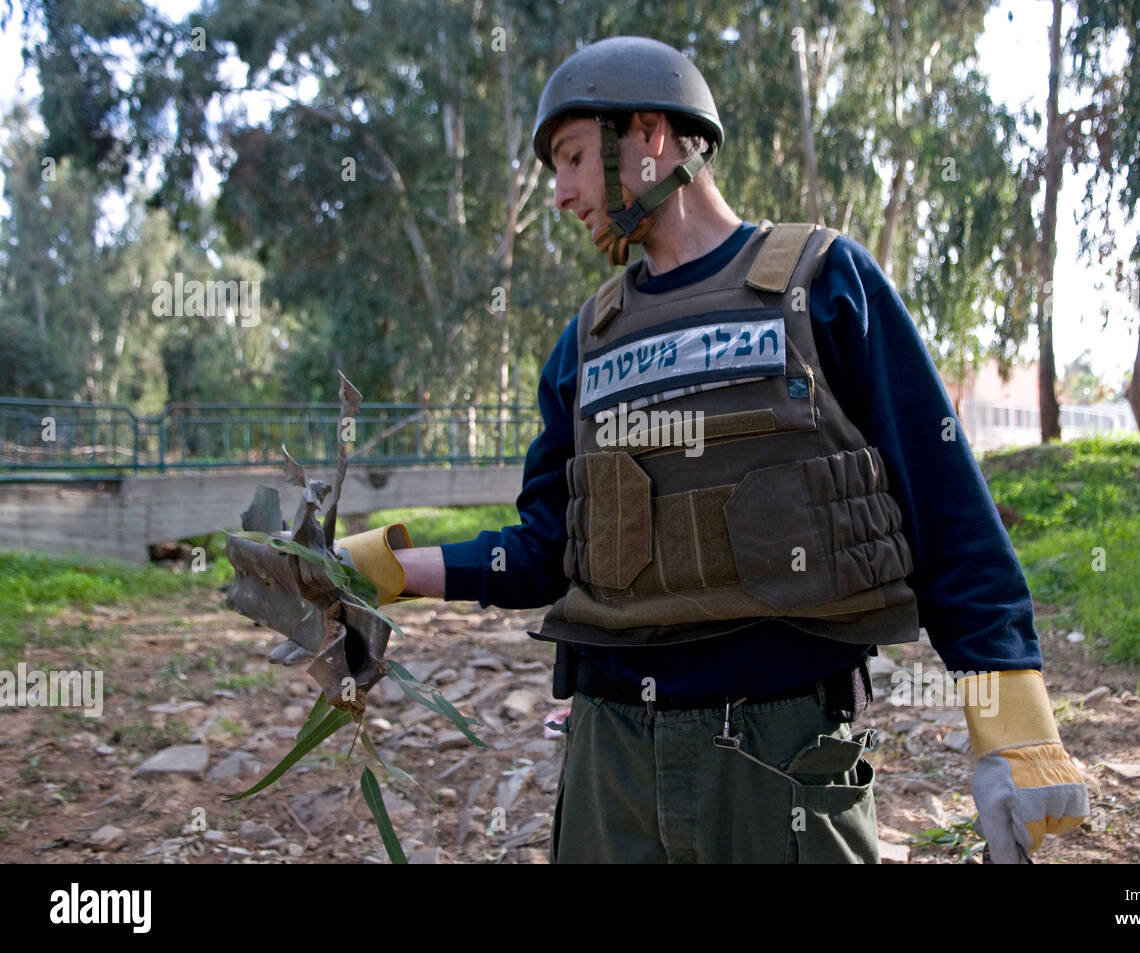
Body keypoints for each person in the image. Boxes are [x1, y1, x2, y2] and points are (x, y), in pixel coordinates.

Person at [371, 36, 1089, 864]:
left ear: (648, 136)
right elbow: (543, 553)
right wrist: (385, 570)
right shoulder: (585, 344)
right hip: (611, 763)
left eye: (571, 158)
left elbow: (948, 513)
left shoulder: (825, 282)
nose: (563, 193)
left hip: (780, 758)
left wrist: (1014, 727)